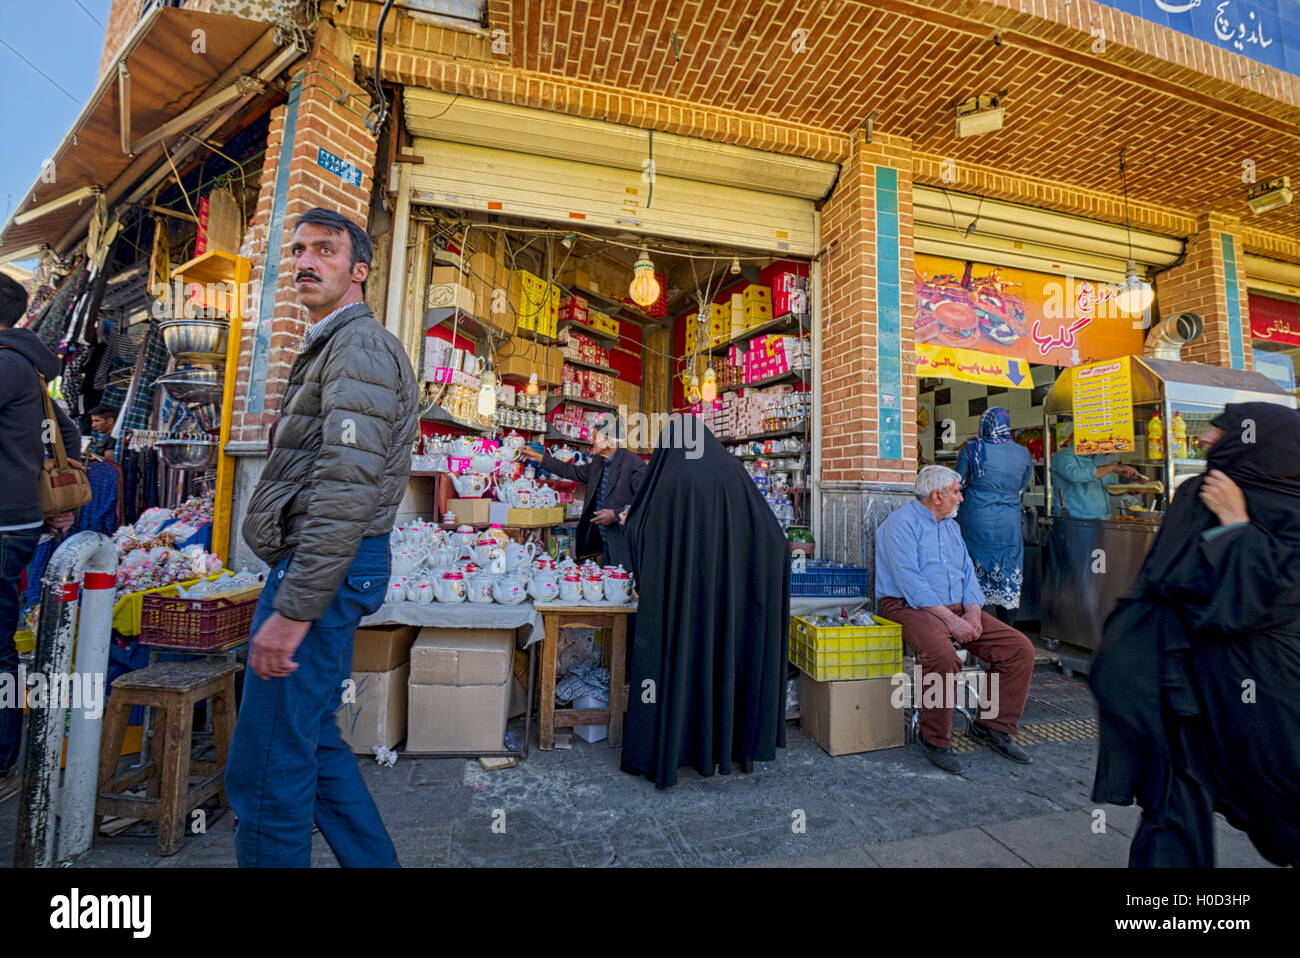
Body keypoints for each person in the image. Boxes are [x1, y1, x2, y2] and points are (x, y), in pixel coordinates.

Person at [227, 208, 418, 867]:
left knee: (267, 762)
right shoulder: (334, 345)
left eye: (326, 251)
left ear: (358, 270)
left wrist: (293, 610)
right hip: (331, 563)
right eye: (300, 249)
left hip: (325, 567)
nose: (306, 261)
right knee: (309, 741)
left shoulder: (358, 346)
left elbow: (345, 486)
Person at [1090, 402, 1300, 868]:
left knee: (1282, 803)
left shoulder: (1278, 508)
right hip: (1179, 685)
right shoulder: (1197, 494)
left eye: (1220, 434)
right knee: (1172, 804)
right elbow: (1167, 583)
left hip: (1265, 696)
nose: (1204, 440)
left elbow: (1260, 600)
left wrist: (1237, 528)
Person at [620, 413, 789, 788]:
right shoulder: (731, 469)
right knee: (722, 662)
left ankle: (672, 748)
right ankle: (726, 747)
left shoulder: (669, 476)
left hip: (676, 603)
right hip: (727, 604)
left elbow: (638, 530)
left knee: (676, 667)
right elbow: (773, 539)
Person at [875, 465, 1036, 774]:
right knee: (942, 655)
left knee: (1019, 649)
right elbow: (911, 583)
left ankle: (992, 726)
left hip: (957, 607)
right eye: (956, 492)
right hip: (907, 606)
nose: (961, 498)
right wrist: (952, 621)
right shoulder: (900, 525)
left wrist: (974, 611)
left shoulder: (950, 526)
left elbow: (967, 575)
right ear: (937, 495)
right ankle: (934, 738)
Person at [0, 272, 80, 799]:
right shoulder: (26, 363)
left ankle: (3, 760)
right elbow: (66, 434)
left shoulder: (6, 362)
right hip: (18, 519)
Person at [520, 428, 645, 568]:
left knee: (624, 584)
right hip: (603, 541)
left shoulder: (633, 463)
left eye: (595, 438)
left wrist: (615, 514)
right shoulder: (599, 461)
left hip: (624, 542)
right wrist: (539, 457)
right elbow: (574, 471)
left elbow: (645, 502)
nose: (591, 441)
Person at [955, 407, 1033, 623]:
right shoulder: (1023, 453)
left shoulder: (973, 449)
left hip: (976, 520)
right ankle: (1007, 630)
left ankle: (975, 628)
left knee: (972, 573)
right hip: (1009, 525)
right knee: (1008, 573)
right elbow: (1021, 488)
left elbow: (957, 484)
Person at [1050, 433, 1140, 518]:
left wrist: (1129, 489)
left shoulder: (1099, 456)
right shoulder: (1064, 456)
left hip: (1102, 518)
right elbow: (1075, 475)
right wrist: (1112, 468)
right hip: (1075, 519)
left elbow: (1108, 486)